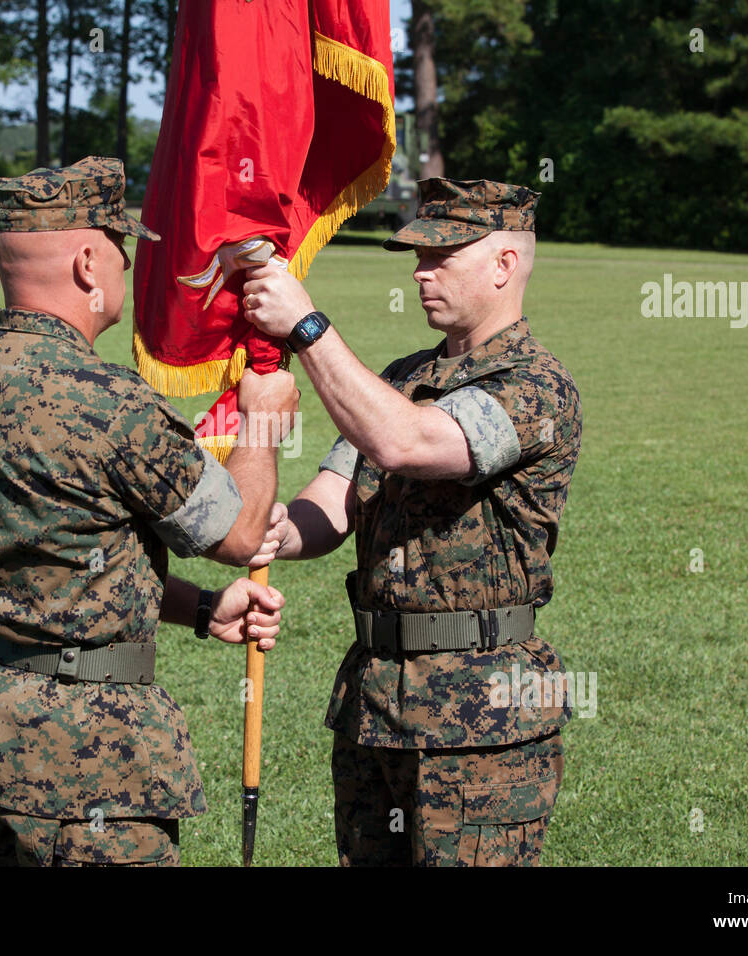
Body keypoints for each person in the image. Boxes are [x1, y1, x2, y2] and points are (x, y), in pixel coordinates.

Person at [0, 157, 297, 867]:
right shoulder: (110, 402)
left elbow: (49, 561)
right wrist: (265, 421)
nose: (128, 266)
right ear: (88, 263)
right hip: (91, 757)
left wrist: (200, 607)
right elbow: (239, 531)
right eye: (122, 249)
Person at [241, 178, 582, 866]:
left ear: (503, 265)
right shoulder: (401, 378)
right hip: (377, 699)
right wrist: (261, 528)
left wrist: (307, 328)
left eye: (441, 257)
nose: (421, 274)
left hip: (482, 717)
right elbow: (332, 505)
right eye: (416, 258)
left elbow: (408, 443)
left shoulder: (535, 386)